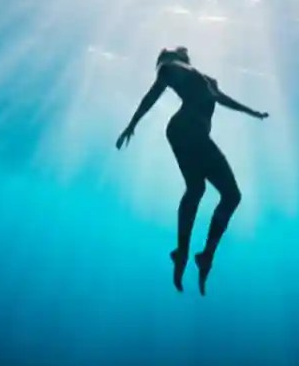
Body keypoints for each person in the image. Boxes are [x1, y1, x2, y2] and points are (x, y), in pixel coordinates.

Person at [115, 46, 268, 294]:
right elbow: (152, 96)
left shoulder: (206, 80)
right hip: (185, 131)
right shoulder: (169, 68)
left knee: (214, 192)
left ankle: (197, 254)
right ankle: (190, 252)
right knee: (210, 192)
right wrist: (132, 124)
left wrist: (253, 113)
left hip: (190, 134)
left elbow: (224, 99)